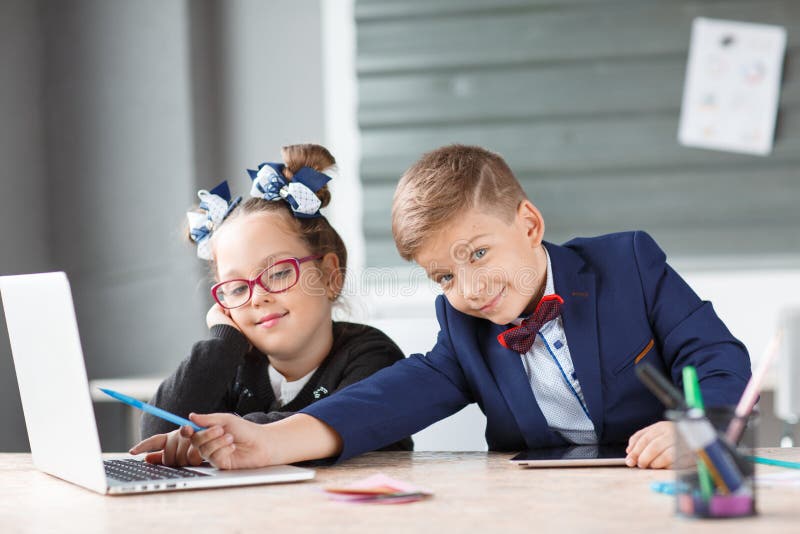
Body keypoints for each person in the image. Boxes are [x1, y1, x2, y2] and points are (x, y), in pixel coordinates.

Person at [177, 145, 751, 470]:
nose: (470, 287)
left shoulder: (626, 264)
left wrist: (700, 427)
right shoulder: (463, 325)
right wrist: (271, 440)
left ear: (528, 224)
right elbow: (383, 404)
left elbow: (718, 355)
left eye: (478, 253)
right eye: (444, 275)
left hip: (666, 492)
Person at [129, 144, 412, 466]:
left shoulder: (371, 355)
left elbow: (330, 425)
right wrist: (223, 342)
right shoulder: (233, 366)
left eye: (278, 273)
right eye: (236, 288)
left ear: (330, 275)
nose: (257, 296)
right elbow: (157, 431)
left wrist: (217, 438)